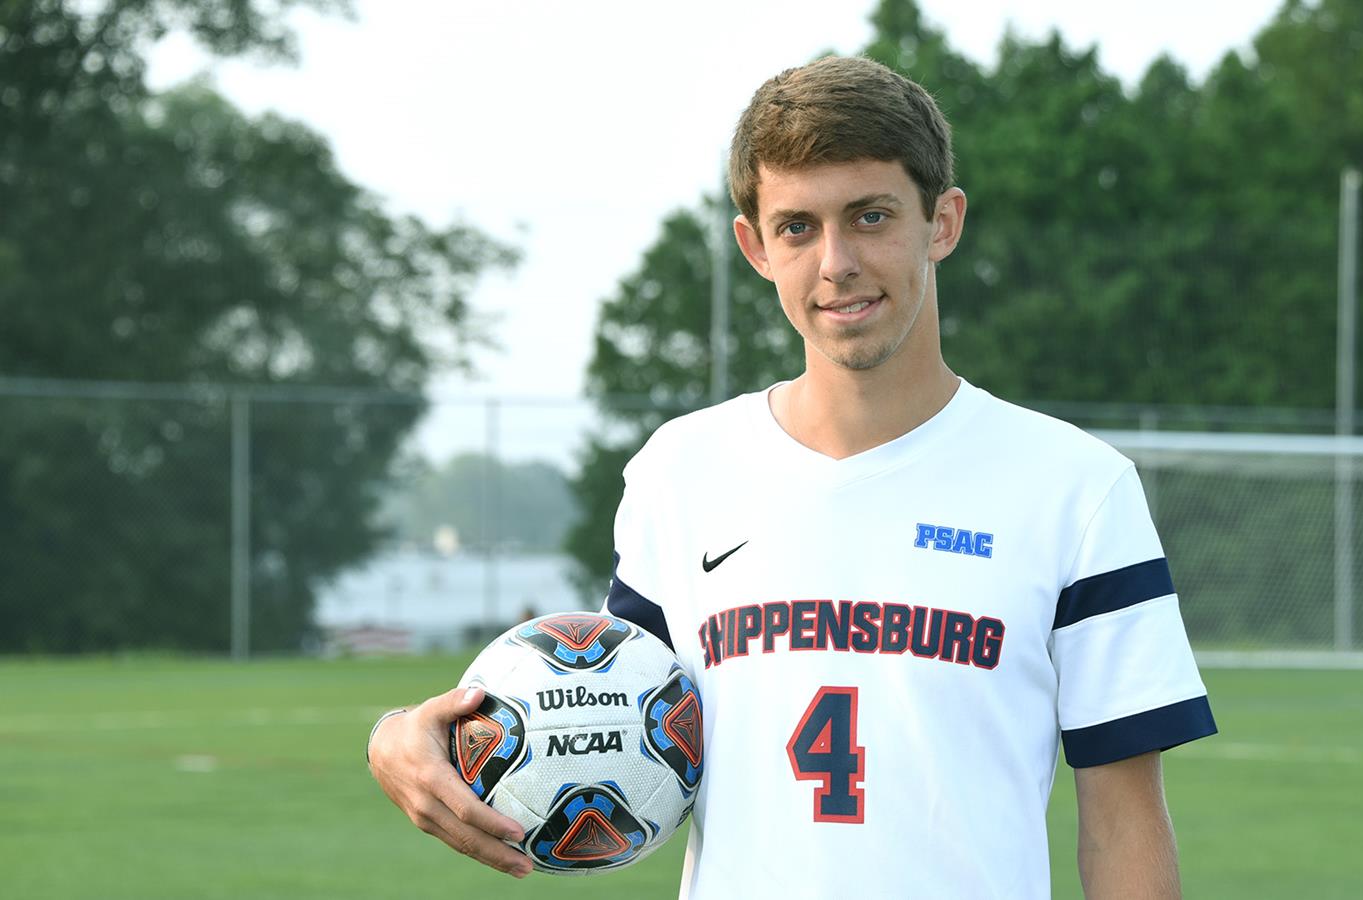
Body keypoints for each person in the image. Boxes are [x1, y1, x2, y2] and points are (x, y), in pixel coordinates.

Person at [368, 55, 1216, 899]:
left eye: (871, 216)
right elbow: (601, 717)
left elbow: (1121, 822)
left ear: (943, 222)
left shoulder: (1075, 489)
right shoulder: (681, 471)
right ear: (755, 246)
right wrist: (398, 736)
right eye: (798, 227)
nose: (836, 261)